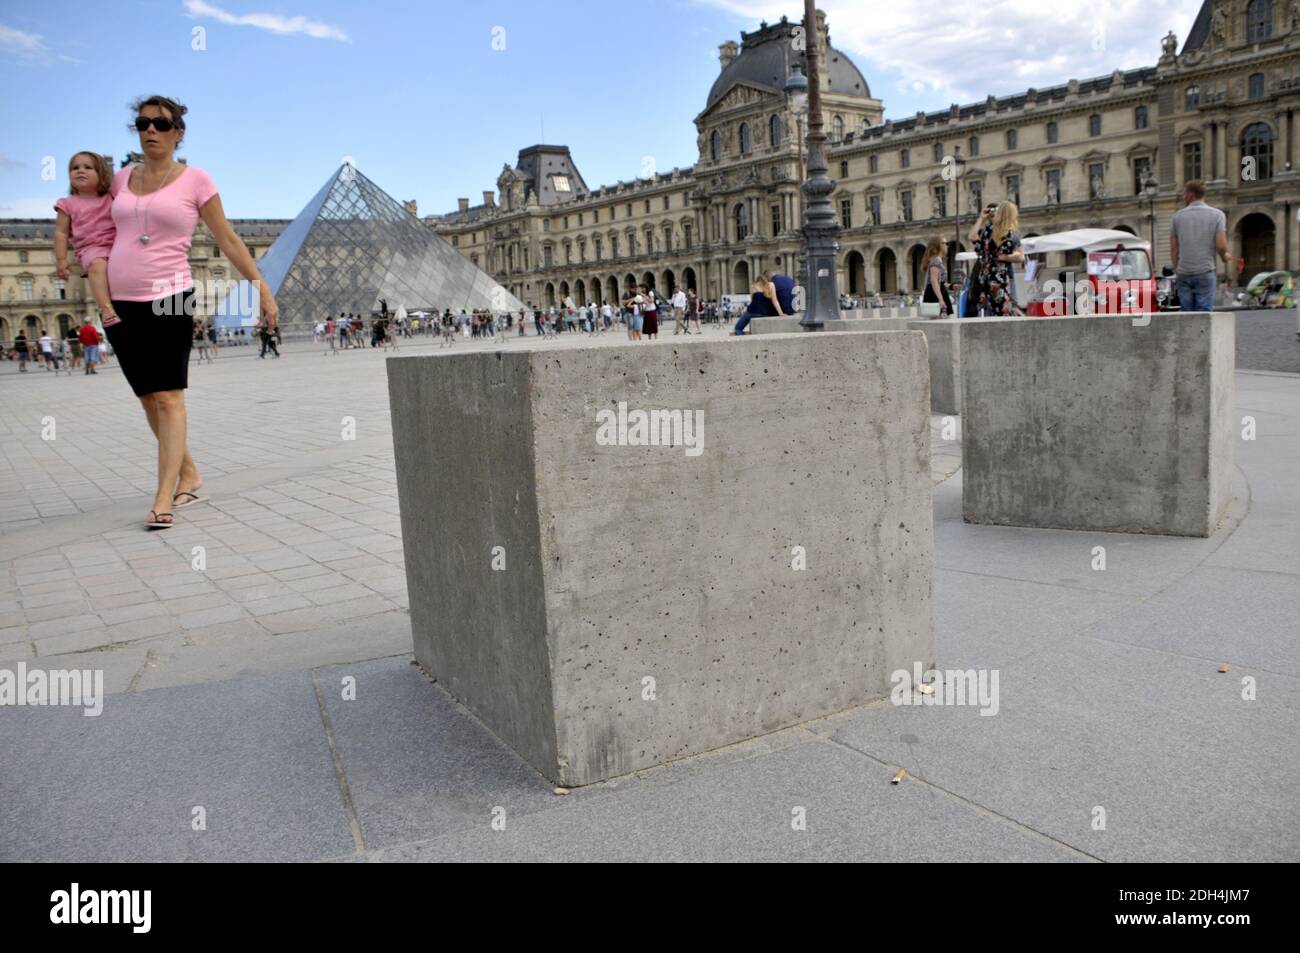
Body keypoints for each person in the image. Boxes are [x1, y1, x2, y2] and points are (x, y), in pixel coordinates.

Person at [106, 94, 278, 529]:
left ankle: (164, 495)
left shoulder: (196, 180)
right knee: (148, 398)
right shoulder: (121, 178)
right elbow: (99, 227)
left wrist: (261, 287)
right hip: (120, 299)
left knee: (168, 396)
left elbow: (228, 239)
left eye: (161, 124)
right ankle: (189, 471)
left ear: (178, 133)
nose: (151, 131)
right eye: (143, 123)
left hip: (169, 296)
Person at [54, 151, 118, 329]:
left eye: (87, 167)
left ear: (102, 175)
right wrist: (61, 260)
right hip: (90, 248)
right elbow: (61, 233)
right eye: (75, 168)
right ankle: (106, 309)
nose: (80, 171)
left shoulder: (111, 197)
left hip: (116, 245)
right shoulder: (67, 204)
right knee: (97, 266)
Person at [1169, 179, 1231, 313]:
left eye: (1185, 194)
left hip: (1184, 272)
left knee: (1186, 312)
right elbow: (1221, 245)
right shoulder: (1218, 215)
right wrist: (1224, 256)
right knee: (1204, 313)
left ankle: (1188, 334)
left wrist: (1176, 268)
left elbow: (1174, 249)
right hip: (1205, 271)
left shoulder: (1177, 217)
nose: (1183, 197)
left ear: (1191, 195)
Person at [969, 202, 1024, 316]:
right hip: (1001, 278)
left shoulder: (988, 231)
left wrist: (981, 219)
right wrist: (1004, 256)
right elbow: (1020, 256)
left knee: (989, 311)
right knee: (1006, 311)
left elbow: (973, 239)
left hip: (986, 278)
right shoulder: (1009, 233)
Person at [921, 236, 953, 317]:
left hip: (937, 292)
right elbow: (934, 281)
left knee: (940, 321)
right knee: (938, 322)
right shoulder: (935, 260)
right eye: (945, 243)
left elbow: (940, 282)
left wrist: (951, 286)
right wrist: (941, 300)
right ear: (938, 245)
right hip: (935, 294)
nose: (947, 246)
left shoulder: (937, 260)